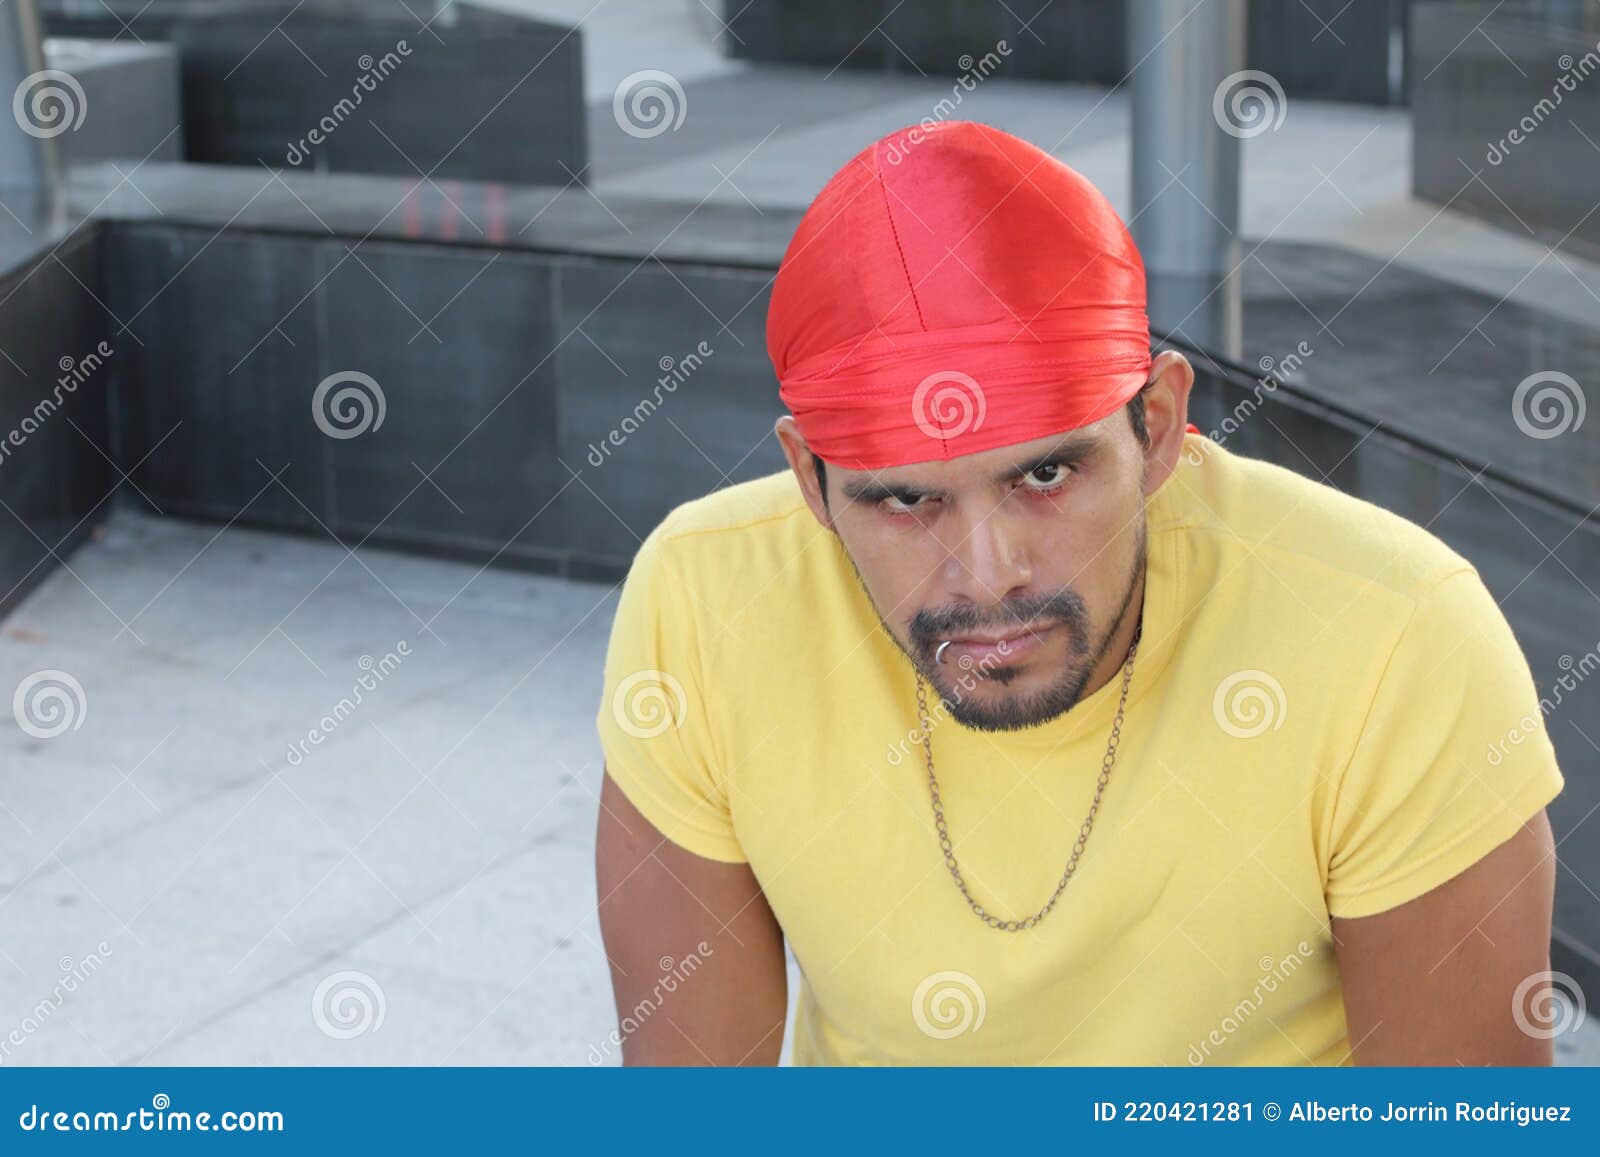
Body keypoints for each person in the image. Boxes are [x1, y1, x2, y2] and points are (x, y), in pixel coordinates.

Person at [593, 121, 1565, 1065]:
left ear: (1158, 425)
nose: (987, 574)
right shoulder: (704, 595)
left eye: (1046, 476)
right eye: (904, 498)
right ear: (810, 481)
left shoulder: (1392, 631)